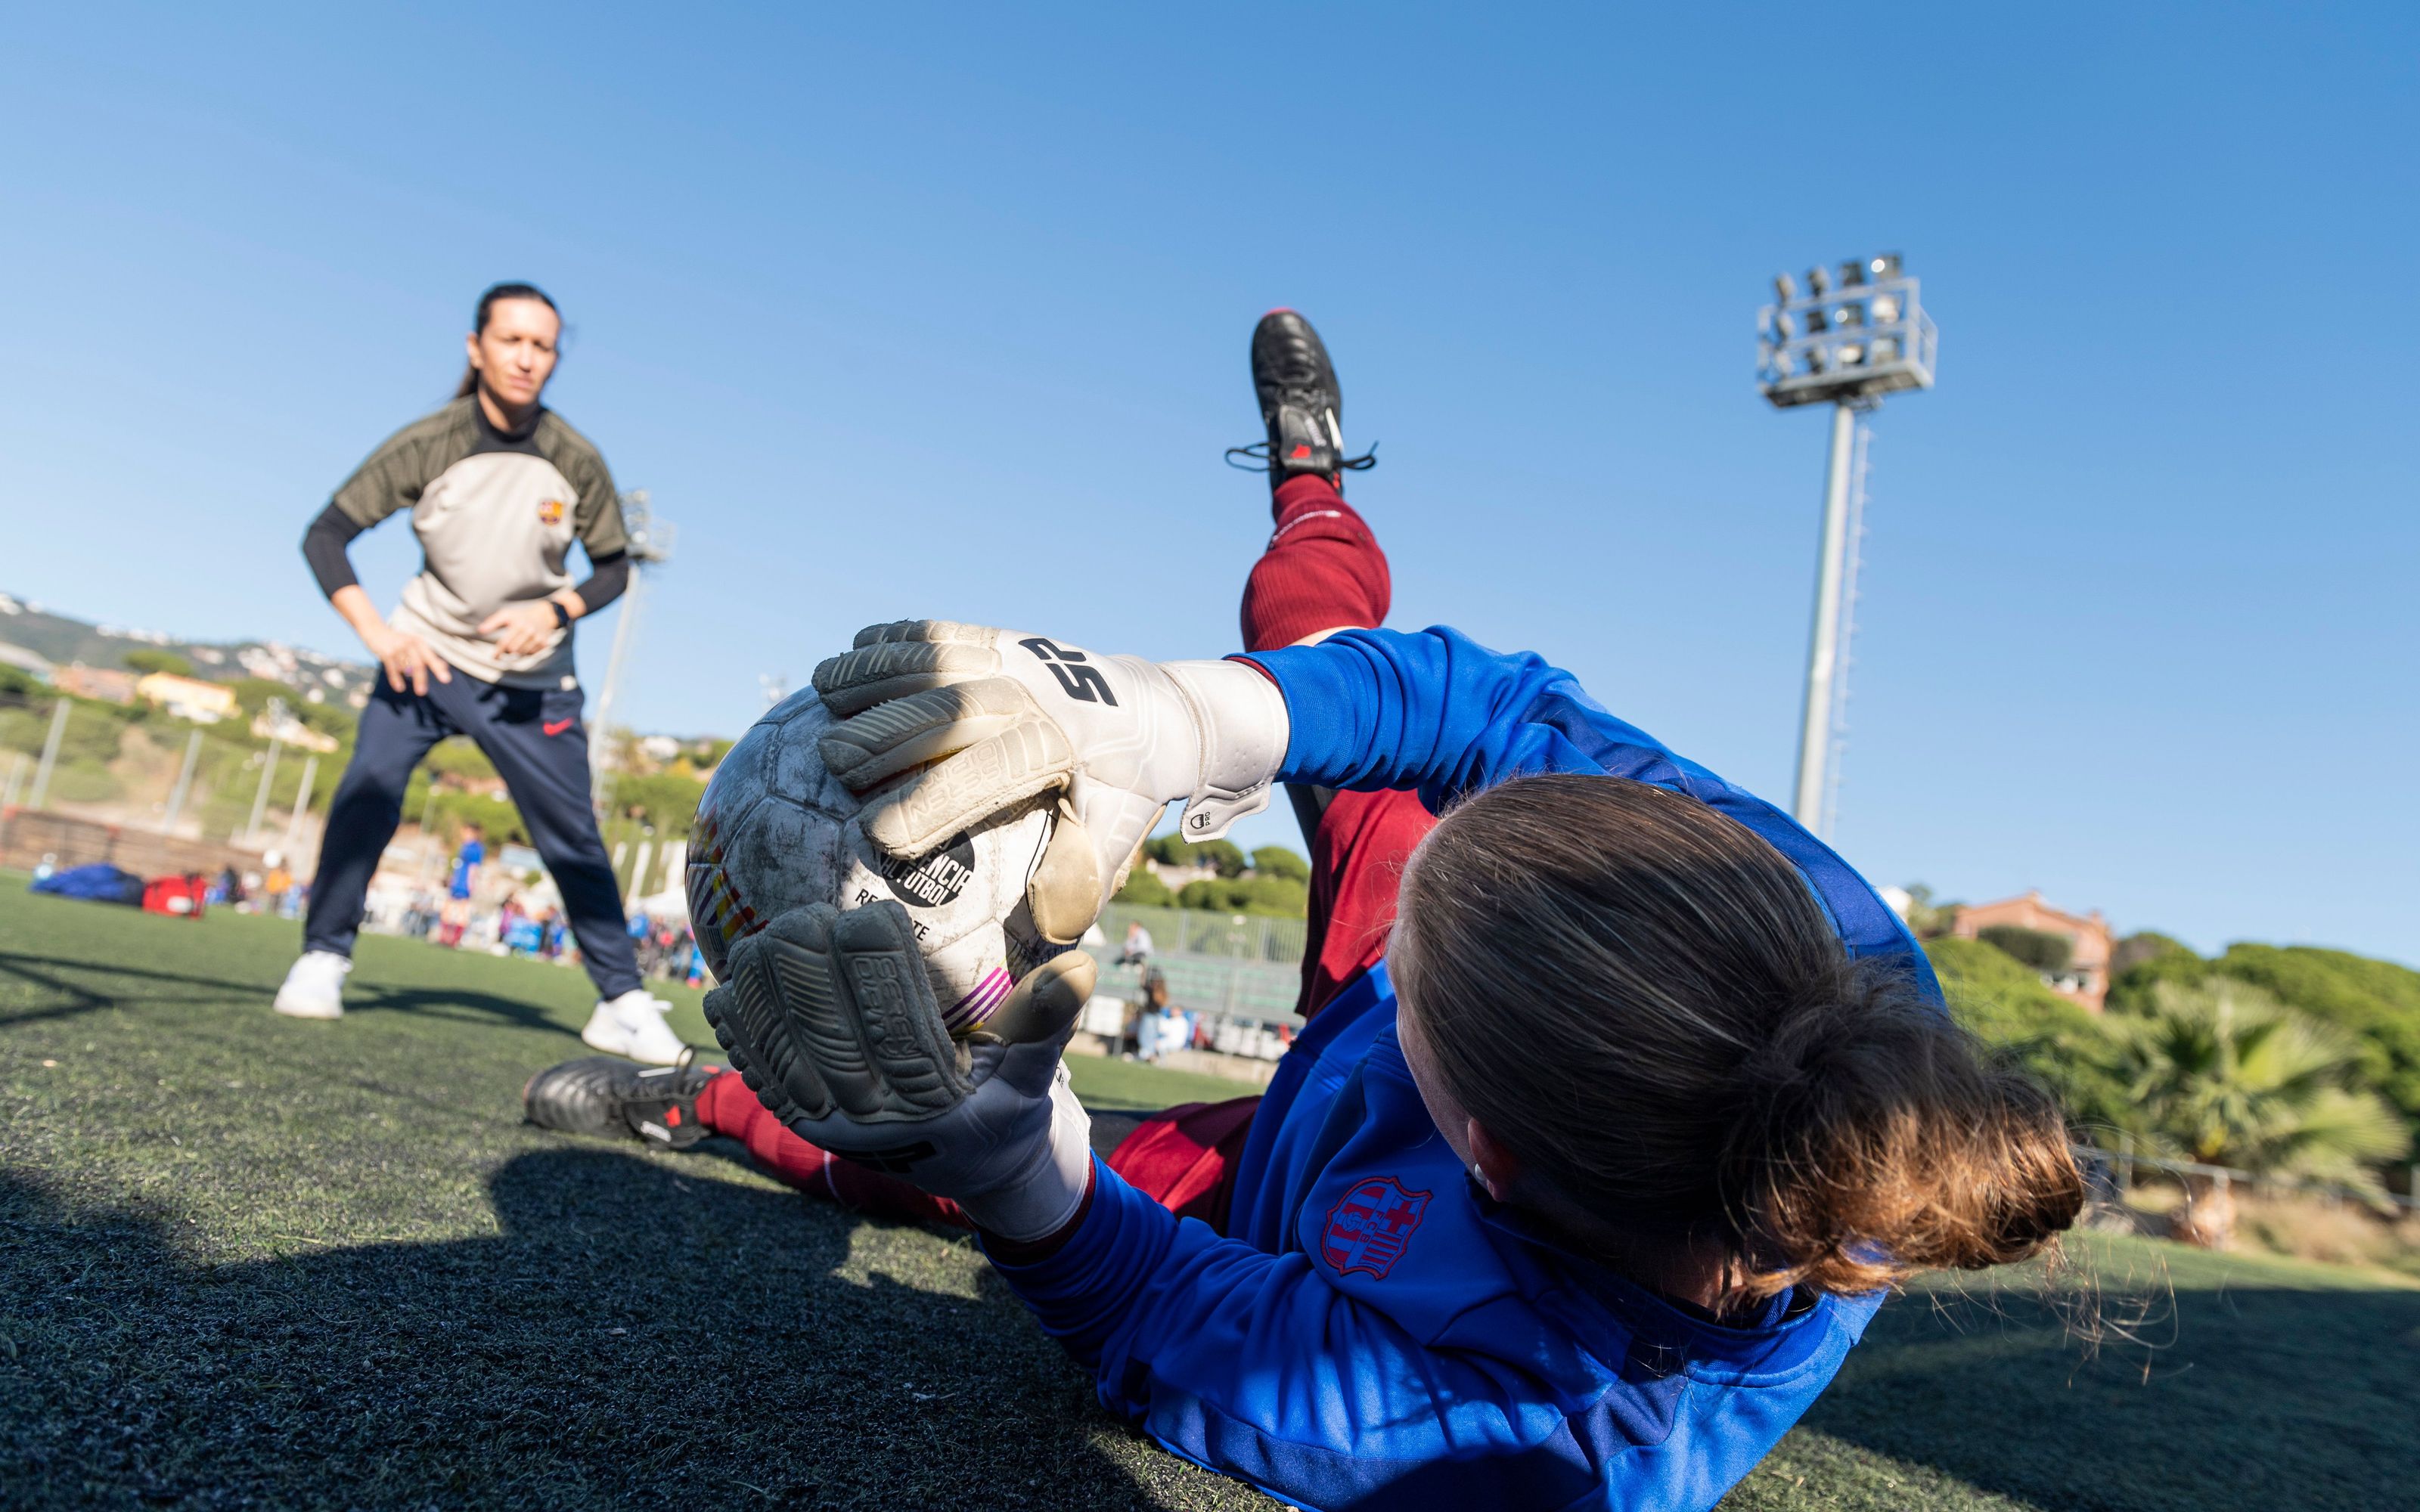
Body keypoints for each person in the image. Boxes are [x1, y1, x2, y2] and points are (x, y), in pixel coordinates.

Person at [521, 311, 2081, 1507]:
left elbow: (1160, 1306)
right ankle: (1313, 481)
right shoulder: (1829, 928)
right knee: (1322, 655)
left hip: (1298, 1181)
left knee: (938, 1139)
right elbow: (1489, 702)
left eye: (1410, 955)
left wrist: (1026, 1184)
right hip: (1522, 1042)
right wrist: (1171, 719)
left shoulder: (1531, 1448)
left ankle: (701, 1098)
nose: (1384, 908)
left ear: (1473, 1148)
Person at [271, 282, 684, 1063]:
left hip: (531, 684)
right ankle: (322, 956)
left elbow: (613, 569)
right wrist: (380, 634)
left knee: (573, 837)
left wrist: (553, 611)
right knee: (366, 794)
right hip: (423, 659)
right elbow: (326, 534)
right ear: (476, 348)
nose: (528, 358)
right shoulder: (429, 443)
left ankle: (622, 1001)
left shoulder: (574, 458)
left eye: (543, 346)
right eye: (512, 341)